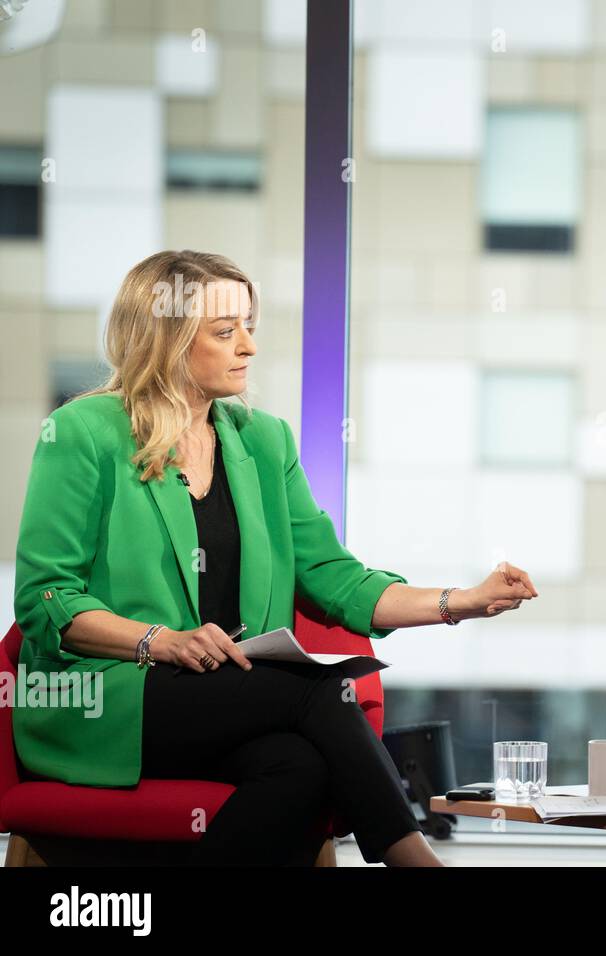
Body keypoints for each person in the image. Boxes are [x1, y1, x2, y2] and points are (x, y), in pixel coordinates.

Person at [13, 249, 539, 866]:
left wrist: (461, 602)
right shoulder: (83, 432)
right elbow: (45, 597)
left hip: (228, 699)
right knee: (319, 690)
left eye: (250, 328)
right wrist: (162, 641)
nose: (248, 348)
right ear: (168, 339)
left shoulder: (264, 441)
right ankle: (416, 863)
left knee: (304, 767)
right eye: (225, 331)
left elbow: (331, 576)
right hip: (108, 700)